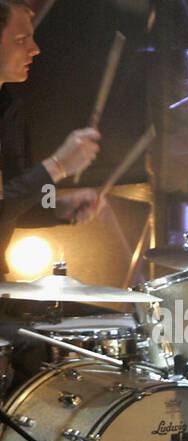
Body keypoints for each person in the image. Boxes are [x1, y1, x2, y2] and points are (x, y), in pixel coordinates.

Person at [0, 0, 104, 277]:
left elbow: (9, 203)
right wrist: (58, 165)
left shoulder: (9, 108)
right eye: (21, 39)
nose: (35, 49)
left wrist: (56, 209)